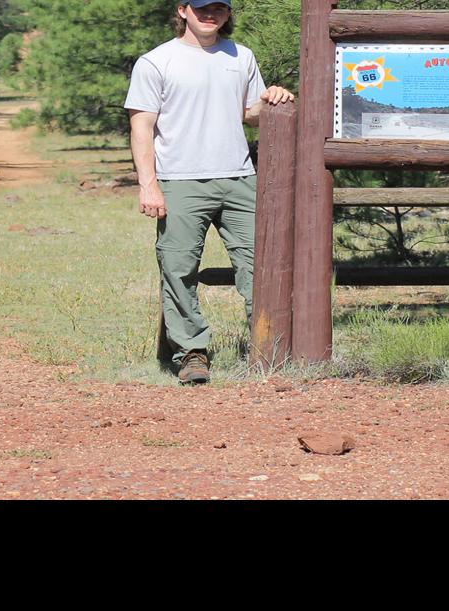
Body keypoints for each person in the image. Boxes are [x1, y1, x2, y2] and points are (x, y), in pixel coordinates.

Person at [124, 0, 294, 384]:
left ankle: (268, 348)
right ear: (183, 10)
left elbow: (249, 111)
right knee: (179, 268)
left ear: (228, 13)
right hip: (180, 181)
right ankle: (191, 353)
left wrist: (273, 98)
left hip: (239, 178)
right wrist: (148, 184)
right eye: (202, 7)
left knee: (261, 266)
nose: (210, 14)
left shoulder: (241, 56)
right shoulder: (156, 61)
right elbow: (141, 127)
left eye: (219, 7)